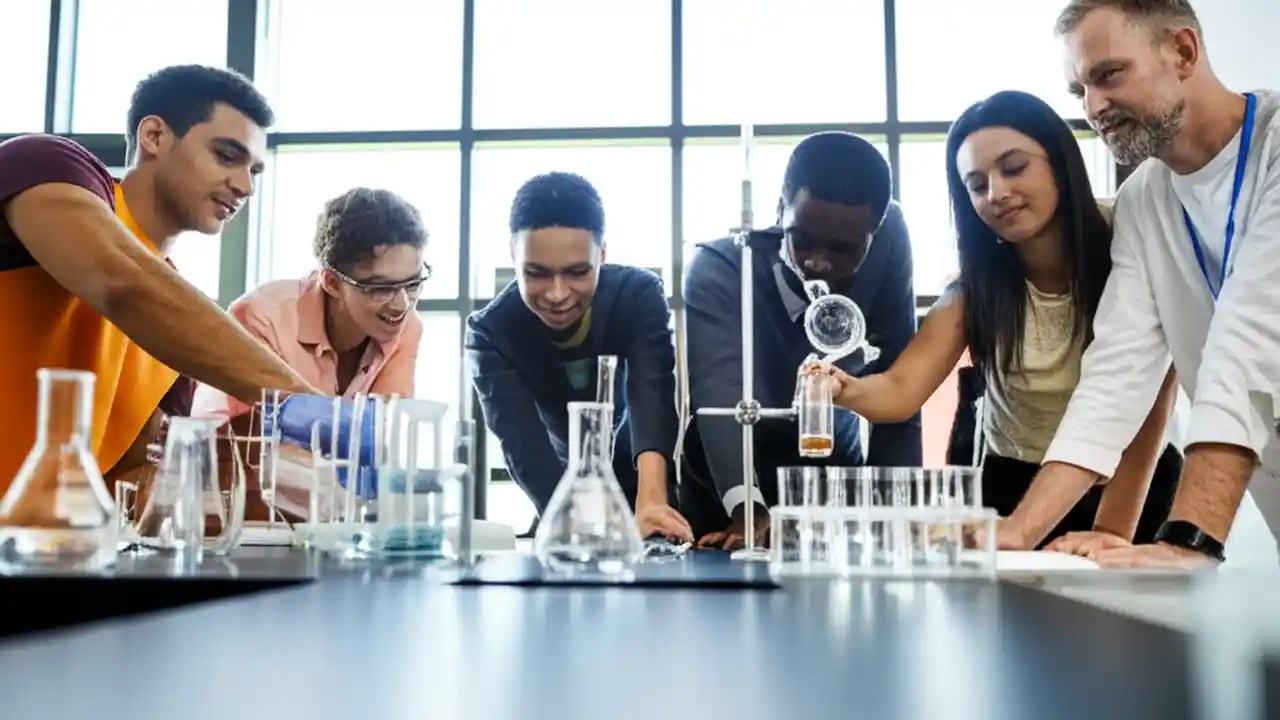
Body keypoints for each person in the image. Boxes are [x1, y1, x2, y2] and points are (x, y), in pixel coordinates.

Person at [815, 90, 1182, 548]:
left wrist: (1111, 530)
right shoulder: (973, 288)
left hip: (1133, 484)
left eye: (1014, 168)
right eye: (975, 183)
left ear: (1059, 162)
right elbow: (900, 390)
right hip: (1015, 484)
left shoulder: (1130, 239)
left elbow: (1152, 400)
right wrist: (843, 387)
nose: (997, 194)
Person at [996, 0, 1280, 568]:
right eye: (1079, 91)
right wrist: (1019, 533)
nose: (1094, 107)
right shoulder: (1144, 199)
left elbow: (1247, 341)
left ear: (1182, 51)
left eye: (1108, 75)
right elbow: (1116, 373)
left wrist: (1189, 538)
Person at [0, 64, 315, 494]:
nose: (245, 186)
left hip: (40, 552)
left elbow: (130, 481)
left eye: (255, 171)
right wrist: (305, 403)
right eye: (226, 155)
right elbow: (123, 282)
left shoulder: (176, 338)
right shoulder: (46, 164)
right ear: (154, 136)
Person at [682, 131, 922, 550]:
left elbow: (901, 384)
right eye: (802, 239)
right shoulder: (719, 267)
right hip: (727, 493)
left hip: (829, 482)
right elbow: (719, 395)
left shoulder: (890, 241)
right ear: (779, 211)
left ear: (875, 232)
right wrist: (748, 513)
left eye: (843, 249)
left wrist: (894, 515)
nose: (818, 262)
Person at [466, 172, 690, 542]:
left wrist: (650, 501)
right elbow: (522, 445)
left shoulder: (638, 295)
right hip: (559, 491)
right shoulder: (490, 333)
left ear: (601, 254)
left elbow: (652, 394)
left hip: (650, 493)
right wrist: (571, 520)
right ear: (513, 255)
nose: (557, 294)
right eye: (536, 273)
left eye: (577, 272)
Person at [192, 187, 427, 420]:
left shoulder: (407, 326)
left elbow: (385, 434)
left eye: (413, 283)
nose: (402, 304)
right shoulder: (261, 318)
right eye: (380, 288)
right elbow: (231, 439)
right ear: (332, 283)